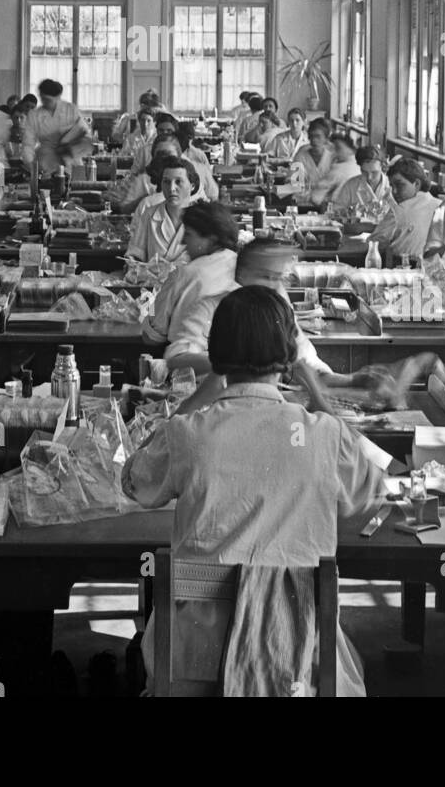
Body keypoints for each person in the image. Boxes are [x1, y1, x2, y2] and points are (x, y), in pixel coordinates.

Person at [123, 286, 382, 696]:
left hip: (196, 654)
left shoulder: (188, 433)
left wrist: (200, 393)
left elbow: (134, 483)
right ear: (288, 355)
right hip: (296, 656)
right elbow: (370, 494)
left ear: (216, 351)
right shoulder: (323, 434)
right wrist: (319, 398)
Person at [169, 238, 441, 402]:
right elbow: (176, 359)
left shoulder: (279, 309)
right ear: (240, 275)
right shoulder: (209, 310)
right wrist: (243, 362)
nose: (273, 286)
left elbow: (304, 363)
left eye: (279, 279)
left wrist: (349, 380)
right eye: (265, 276)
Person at [142, 202, 240, 350]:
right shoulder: (244, 266)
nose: (183, 242)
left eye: (188, 234)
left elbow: (152, 336)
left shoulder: (184, 275)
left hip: (188, 366)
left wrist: (150, 306)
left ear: (211, 239)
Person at [126, 157, 200, 263]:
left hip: (188, 279)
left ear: (192, 186)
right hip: (151, 279)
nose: (171, 188)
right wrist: (135, 267)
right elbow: (134, 255)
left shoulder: (202, 219)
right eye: (166, 182)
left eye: (178, 182)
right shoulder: (149, 215)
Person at [367, 158, 439, 261]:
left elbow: (373, 244)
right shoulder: (441, 205)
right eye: (392, 186)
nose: (395, 192)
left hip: (403, 270)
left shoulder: (399, 211)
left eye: (400, 185)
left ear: (417, 184)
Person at [20, 79, 91, 173]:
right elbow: (28, 143)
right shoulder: (34, 115)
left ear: (58, 97)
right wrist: (29, 163)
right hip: (47, 161)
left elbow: (84, 134)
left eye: (48, 99)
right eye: (42, 98)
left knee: (75, 184)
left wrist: (70, 146)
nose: (44, 102)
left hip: (71, 159)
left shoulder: (71, 109)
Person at [330, 144, 393, 221]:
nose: (369, 177)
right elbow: (336, 212)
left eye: (374, 172)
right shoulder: (350, 186)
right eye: (364, 172)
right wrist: (348, 213)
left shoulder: (391, 185)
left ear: (382, 167)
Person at [306, 133, 359, 208]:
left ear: (351, 149)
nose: (335, 153)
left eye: (338, 149)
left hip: (335, 211)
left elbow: (315, 198)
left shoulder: (340, 169)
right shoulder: (359, 165)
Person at [291, 118, 334, 199]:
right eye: (311, 136)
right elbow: (294, 184)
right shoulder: (301, 156)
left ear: (326, 138)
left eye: (318, 136)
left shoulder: (332, 158)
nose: (314, 140)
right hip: (304, 204)